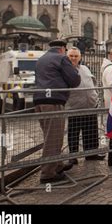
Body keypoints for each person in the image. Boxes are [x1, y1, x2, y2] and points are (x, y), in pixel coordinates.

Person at [34, 40, 81, 184]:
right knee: (54, 137)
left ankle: (58, 165)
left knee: (51, 135)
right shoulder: (61, 58)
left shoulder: (41, 59)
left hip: (40, 101)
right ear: (62, 49)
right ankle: (48, 173)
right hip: (53, 101)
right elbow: (74, 80)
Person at [65, 48, 104, 165]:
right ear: (67, 57)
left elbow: (94, 81)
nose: (73, 58)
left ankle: (91, 154)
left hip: (90, 106)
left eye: (76, 56)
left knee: (91, 131)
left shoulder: (85, 68)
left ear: (80, 57)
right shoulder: (65, 70)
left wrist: (95, 96)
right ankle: (73, 156)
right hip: (75, 107)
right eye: (71, 56)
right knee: (74, 133)